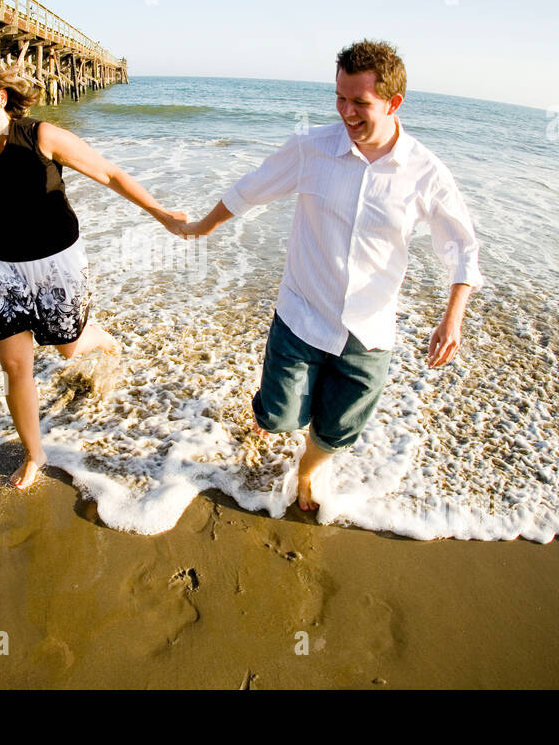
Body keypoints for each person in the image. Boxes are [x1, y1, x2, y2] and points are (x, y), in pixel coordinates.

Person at [178, 40, 483, 513]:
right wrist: (201, 226)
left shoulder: (425, 172)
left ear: (393, 103)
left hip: (369, 331)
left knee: (337, 431)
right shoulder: (311, 149)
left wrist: (453, 319)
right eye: (339, 98)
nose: (346, 112)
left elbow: (461, 245)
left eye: (359, 102)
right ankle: (273, 410)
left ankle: (308, 471)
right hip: (302, 313)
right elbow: (251, 188)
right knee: (278, 418)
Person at [0, 58, 187, 489]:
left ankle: (104, 339)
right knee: (15, 364)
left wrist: (160, 213)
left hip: (54, 263)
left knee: (68, 347)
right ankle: (34, 454)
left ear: (1, 98)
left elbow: (109, 173)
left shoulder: (42, 136)